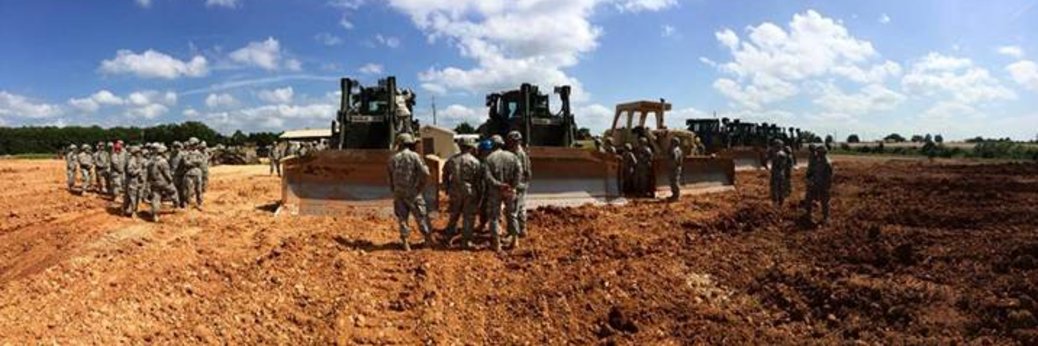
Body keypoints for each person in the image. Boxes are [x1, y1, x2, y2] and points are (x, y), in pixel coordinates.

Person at [387, 133, 433, 251]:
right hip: (413, 192)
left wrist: (394, 188)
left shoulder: (393, 158)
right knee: (421, 216)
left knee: (402, 218)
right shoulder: (415, 156)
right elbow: (426, 173)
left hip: (399, 192)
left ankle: (405, 242)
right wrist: (420, 186)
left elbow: (390, 176)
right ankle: (428, 240)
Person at [483, 134, 522, 251]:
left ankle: (497, 243)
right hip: (510, 190)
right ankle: (515, 240)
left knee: (494, 216)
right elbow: (519, 172)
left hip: (495, 191)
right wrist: (512, 186)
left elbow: (488, 177)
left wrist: (499, 185)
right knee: (512, 214)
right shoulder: (513, 157)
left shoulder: (489, 159)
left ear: (492, 145)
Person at [443, 138, 482, 248]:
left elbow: (445, 175)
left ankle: (448, 240)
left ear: (460, 146)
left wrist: (447, 188)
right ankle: (466, 242)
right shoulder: (475, 162)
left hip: (454, 191)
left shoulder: (452, 160)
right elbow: (478, 180)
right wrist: (479, 194)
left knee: (454, 216)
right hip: (470, 192)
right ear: (470, 147)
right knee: (469, 217)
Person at [506, 131, 531, 237]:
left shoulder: (515, 153)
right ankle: (523, 228)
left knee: (513, 210)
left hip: (516, 184)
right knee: (521, 207)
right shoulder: (524, 153)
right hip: (523, 183)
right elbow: (528, 171)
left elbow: (516, 171)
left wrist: (512, 185)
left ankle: (513, 234)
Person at [148, 145, 179, 222]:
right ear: (162, 153)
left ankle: (155, 215)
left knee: (156, 198)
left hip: (154, 182)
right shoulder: (163, 161)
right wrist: (171, 180)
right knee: (174, 191)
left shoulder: (151, 161)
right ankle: (176, 205)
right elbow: (167, 173)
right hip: (163, 182)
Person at [807, 146, 834, 223]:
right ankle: (809, 215)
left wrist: (826, 187)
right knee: (809, 198)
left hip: (823, 186)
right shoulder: (818, 161)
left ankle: (826, 217)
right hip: (815, 183)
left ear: (822, 153)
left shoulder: (827, 163)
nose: (817, 154)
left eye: (818, 152)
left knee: (824, 202)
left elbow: (829, 177)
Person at [182, 138, 205, 210]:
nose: (194, 146)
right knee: (187, 190)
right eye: (193, 144)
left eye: (195, 144)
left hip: (197, 172)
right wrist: (195, 162)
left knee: (198, 189)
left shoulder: (199, 153)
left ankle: (199, 203)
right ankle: (186, 203)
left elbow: (201, 162)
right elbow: (186, 163)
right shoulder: (186, 153)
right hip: (189, 173)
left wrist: (192, 162)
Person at [767, 139, 791, 206]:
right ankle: (781, 201)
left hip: (776, 173)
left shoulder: (778, 154)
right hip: (781, 173)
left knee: (775, 187)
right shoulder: (783, 154)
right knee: (781, 187)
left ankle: (775, 202)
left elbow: (770, 160)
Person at [123, 146, 145, 218]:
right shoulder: (132, 161)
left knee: (129, 196)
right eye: (138, 152)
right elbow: (130, 171)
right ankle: (133, 212)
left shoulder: (136, 160)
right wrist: (138, 170)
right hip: (132, 181)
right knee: (133, 197)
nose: (139, 154)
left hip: (134, 181)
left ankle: (125, 210)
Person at [667, 137, 683, 202]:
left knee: (675, 181)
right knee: (672, 181)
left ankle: (677, 196)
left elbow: (675, 158)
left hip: (675, 168)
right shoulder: (676, 150)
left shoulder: (676, 150)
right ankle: (674, 195)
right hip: (673, 167)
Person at [169, 141, 185, 207]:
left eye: (178, 147)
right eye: (175, 147)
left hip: (181, 174)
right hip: (173, 175)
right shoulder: (171, 155)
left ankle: (182, 202)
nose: (176, 148)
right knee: (174, 190)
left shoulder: (182, 155)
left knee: (182, 190)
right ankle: (176, 203)